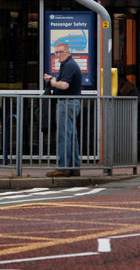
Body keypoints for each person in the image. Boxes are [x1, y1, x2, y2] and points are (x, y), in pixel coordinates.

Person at [43, 41, 82, 177]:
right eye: (56, 52)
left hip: (66, 103)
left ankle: (63, 168)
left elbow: (64, 85)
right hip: (71, 103)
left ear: (68, 52)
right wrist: (53, 79)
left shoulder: (69, 65)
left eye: (61, 52)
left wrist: (53, 82)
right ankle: (74, 167)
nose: (58, 55)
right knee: (71, 136)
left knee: (64, 136)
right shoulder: (69, 65)